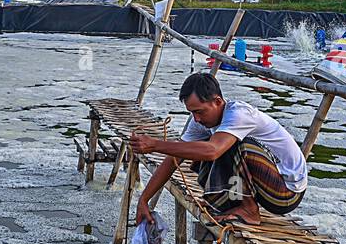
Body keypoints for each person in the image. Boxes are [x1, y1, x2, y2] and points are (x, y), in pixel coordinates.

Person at [130, 71, 307, 226]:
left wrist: (155, 145)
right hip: (263, 185)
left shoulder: (239, 114)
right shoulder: (199, 122)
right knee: (194, 149)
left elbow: (212, 151)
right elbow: (173, 158)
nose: (196, 119)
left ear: (217, 101)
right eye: (192, 113)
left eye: (199, 112)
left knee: (228, 145)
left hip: (286, 193)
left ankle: (249, 211)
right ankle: (231, 203)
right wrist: (144, 199)